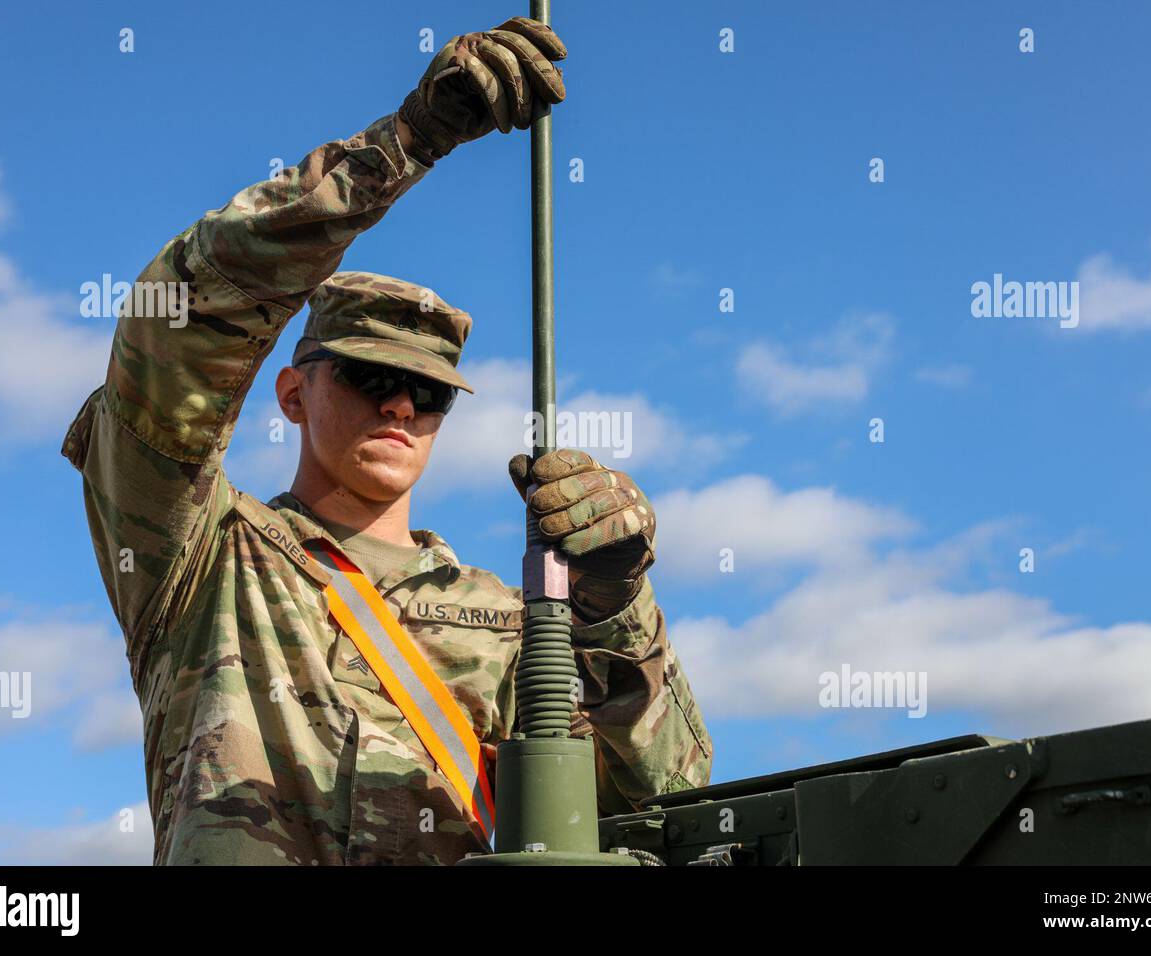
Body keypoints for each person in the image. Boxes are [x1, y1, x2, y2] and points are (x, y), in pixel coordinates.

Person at [62, 17, 711, 865]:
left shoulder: (514, 623)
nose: (401, 404)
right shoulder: (201, 559)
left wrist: (615, 607)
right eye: (369, 378)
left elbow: (661, 807)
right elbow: (178, 323)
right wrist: (405, 143)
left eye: (429, 390)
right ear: (293, 393)